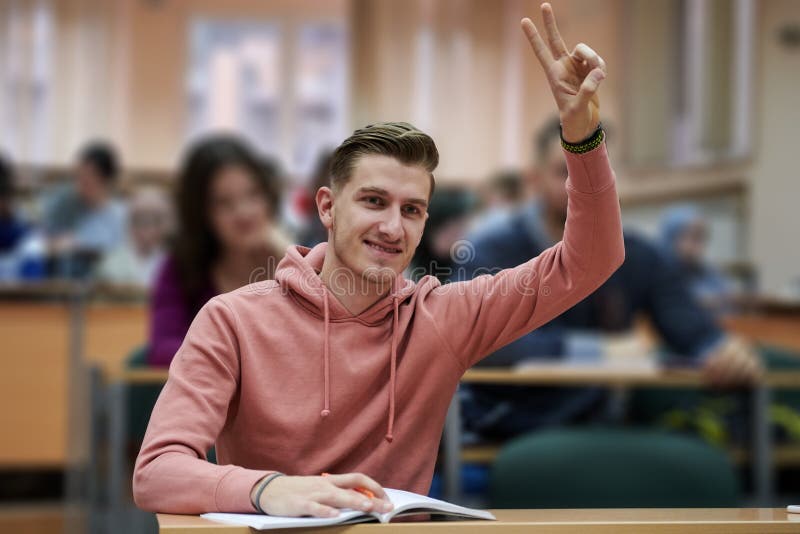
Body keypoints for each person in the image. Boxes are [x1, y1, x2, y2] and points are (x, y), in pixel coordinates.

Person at [134, 3, 623, 517]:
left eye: (412, 210)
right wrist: (269, 490)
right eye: (373, 201)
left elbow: (592, 258)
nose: (393, 227)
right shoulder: (232, 320)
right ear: (327, 207)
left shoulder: (442, 319)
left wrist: (583, 138)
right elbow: (156, 472)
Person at [459, 118, 761, 440]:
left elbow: (691, 329)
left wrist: (722, 351)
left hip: (605, 428)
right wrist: (601, 351)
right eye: (565, 171)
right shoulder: (493, 248)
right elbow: (477, 339)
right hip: (509, 427)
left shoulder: (639, 254)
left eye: (600, 172)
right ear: (535, 180)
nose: (585, 183)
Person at [147, 134, 288, 367]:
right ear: (202, 214)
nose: (244, 212)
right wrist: (240, 356)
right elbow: (162, 351)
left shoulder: (294, 262)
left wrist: (293, 259)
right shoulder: (181, 268)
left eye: (253, 194)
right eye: (224, 203)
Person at [41, 141, 126, 277]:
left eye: (87, 179)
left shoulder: (121, 214)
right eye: (78, 177)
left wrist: (81, 246)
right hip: (63, 281)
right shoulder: (64, 204)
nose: (79, 185)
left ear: (106, 181)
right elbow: (44, 243)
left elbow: (122, 255)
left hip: (106, 283)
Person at [660, 203, 735, 315]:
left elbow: (728, 302)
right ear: (671, 237)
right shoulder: (659, 274)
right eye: (693, 237)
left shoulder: (707, 272)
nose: (698, 246)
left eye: (702, 237)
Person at [95, 186, 172, 288]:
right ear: (130, 224)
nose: (148, 229)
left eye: (155, 221)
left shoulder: (172, 261)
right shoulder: (111, 263)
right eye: (140, 220)